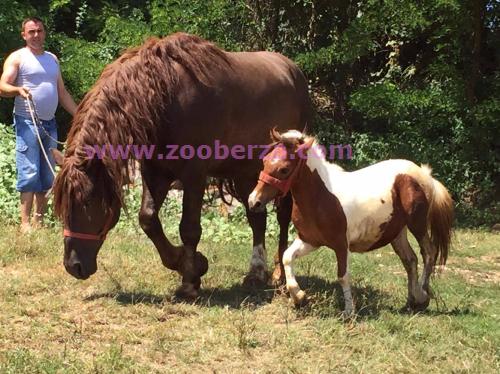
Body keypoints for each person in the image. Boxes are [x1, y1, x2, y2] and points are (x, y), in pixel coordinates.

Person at [0, 17, 77, 233]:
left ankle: (39, 222)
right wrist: (17, 90)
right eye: (31, 31)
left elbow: (62, 93)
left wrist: (81, 114)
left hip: (49, 124)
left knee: (47, 174)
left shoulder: (52, 59)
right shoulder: (18, 57)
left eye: (39, 31)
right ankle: (25, 224)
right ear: (24, 35)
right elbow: (2, 85)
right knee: (29, 171)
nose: (36, 35)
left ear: (44, 33)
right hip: (27, 122)